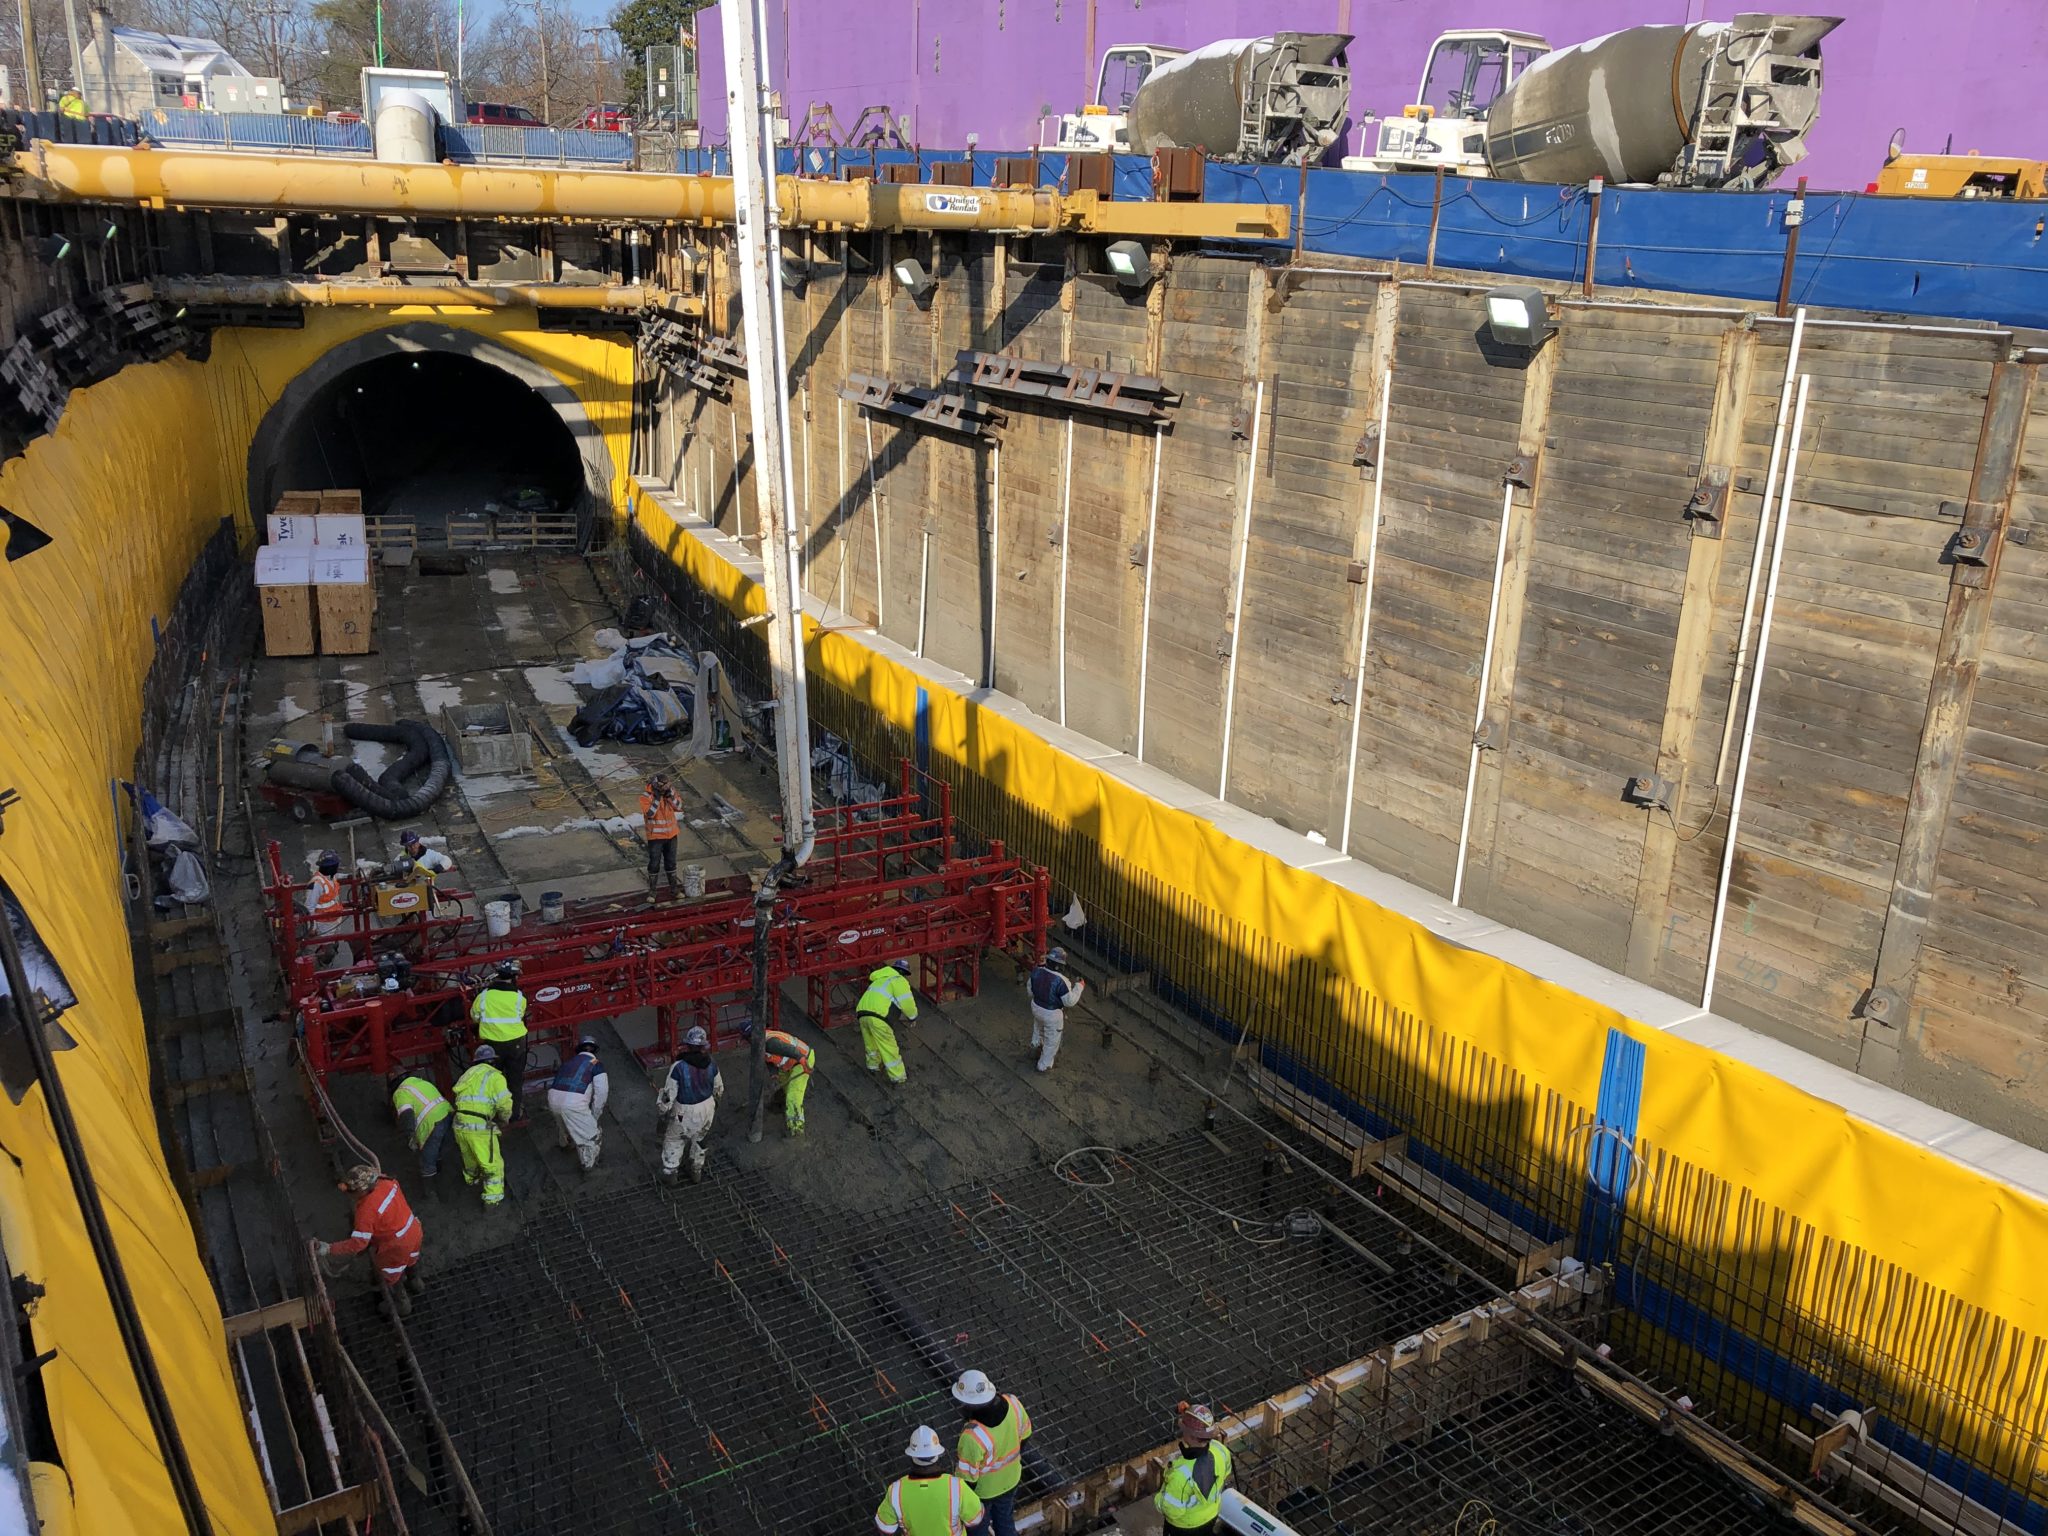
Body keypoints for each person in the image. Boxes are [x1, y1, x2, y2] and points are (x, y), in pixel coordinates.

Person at [314, 1165, 424, 1316]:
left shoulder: (366, 1210)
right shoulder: (389, 1182)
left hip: (396, 1246)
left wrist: (329, 1248)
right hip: (414, 1230)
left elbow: (358, 1243)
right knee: (412, 1259)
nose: (350, 1195)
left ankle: (402, 1305)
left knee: (392, 1273)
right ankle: (416, 1282)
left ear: (361, 1191)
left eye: (351, 1191)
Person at [952, 1370, 1032, 1536]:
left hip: (984, 1492)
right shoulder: (1014, 1403)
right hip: (1011, 1479)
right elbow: (1026, 1435)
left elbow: (967, 1480)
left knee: (978, 1529)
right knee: (1005, 1523)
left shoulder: (972, 1436)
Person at [875, 1425, 985, 1536]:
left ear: (912, 1456)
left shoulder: (895, 1491)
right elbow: (976, 1519)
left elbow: (885, 1528)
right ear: (937, 1454)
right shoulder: (956, 1486)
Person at [656, 1025, 721, 1184]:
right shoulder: (712, 1063)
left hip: (684, 1110)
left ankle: (670, 1172)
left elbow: (668, 1096)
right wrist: (715, 1104)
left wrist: (662, 1112)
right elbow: (719, 1088)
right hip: (708, 1106)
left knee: (674, 1138)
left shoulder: (679, 1067)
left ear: (688, 1045)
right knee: (700, 1138)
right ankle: (696, 1169)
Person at [451, 1044, 514, 1208]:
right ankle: (492, 1199)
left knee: (470, 1156)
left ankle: (471, 1179)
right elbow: (504, 1103)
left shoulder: (467, 1075)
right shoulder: (495, 1076)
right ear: (492, 1061)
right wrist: (505, 1119)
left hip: (459, 1124)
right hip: (478, 1127)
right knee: (492, 1164)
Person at [1154, 1403, 1232, 1534]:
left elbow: (1171, 1510)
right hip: (1211, 1515)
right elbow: (1226, 1473)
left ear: (1190, 1436)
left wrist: (1159, 1499)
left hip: (1184, 1526)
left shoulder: (1181, 1474)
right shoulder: (1220, 1450)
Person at [468, 961, 529, 1127]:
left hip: (493, 1047)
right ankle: (514, 1114)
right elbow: (521, 1014)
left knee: (493, 1080)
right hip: (516, 1044)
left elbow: (474, 1017)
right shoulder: (519, 997)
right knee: (515, 1081)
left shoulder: (483, 997)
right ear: (514, 977)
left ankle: (494, 1114)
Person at [547, 1036, 609, 1173]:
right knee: (593, 1135)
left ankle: (565, 1143)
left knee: (564, 1121)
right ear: (595, 1051)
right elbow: (601, 1094)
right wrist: (594, 1116)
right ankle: (588, 1166)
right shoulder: (596, 1065)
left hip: (553, 1098)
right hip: (573, 1104)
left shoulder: (568, 1063)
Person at [855, 958, 918, 1085]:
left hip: (862, 1014)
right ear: (903, 973)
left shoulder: (879, 979)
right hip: (879, 1017)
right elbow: (907, 1002)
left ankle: (873, 1066)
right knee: (889, 1047)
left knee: (871, 1043)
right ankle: (898, 1077)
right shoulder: (898, 981)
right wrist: (913, 1017)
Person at [1026, 947, 1085, 1074]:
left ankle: (1035, 1047)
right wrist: (1079, 987)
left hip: (1036, 1007)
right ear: (1060, 965)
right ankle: (1044, 1065)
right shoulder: (1062, 981)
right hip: (1052, 1014)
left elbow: (1030, 991)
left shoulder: (1036, 971)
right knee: (1051, 1040)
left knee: (1038, 1028)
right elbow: (1069, 1001)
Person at [388, 1068, 452, 1180]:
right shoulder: (420, 1082)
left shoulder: (400, 1092)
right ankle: (442, 1172)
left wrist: (410, 1136)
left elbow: (406, 1115)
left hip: (432, 1124)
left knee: (426, 1160)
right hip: (448, 1113)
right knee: (440, 1146)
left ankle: (431, 1190)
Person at [762, 1028, 815, 1137]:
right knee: (786, 1088)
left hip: (803, 1060)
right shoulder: (761, 1043)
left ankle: (796, 1129)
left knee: (793, 1096)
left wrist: (804, 1064)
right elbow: (768, 1059)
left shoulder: (771, 1043)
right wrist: (774, 1074)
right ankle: (783, 1104)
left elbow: (792, 1051)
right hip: (788, 1064)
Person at [306, 849, 354, 968]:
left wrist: (350, 876)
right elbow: (309, 907)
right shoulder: (316, 884)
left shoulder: (330, 877)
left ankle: (323, 961)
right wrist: (312, 926)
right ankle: (320, 964)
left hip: (334, 919)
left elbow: (337, 878)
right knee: (329, 950)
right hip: (324, 923)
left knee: (334, 944)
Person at [640, 772, 682, 893]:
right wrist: (657, 799)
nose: (665, 788)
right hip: (655, 837)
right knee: (654, 864)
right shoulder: (646, 796)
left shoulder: (669, 791)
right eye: (662, 786)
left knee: (671, 863)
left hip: (671, 835)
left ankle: (674, 889)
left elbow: (679, 806)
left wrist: (670, 796)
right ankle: (653, 890)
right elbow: (650, 814)